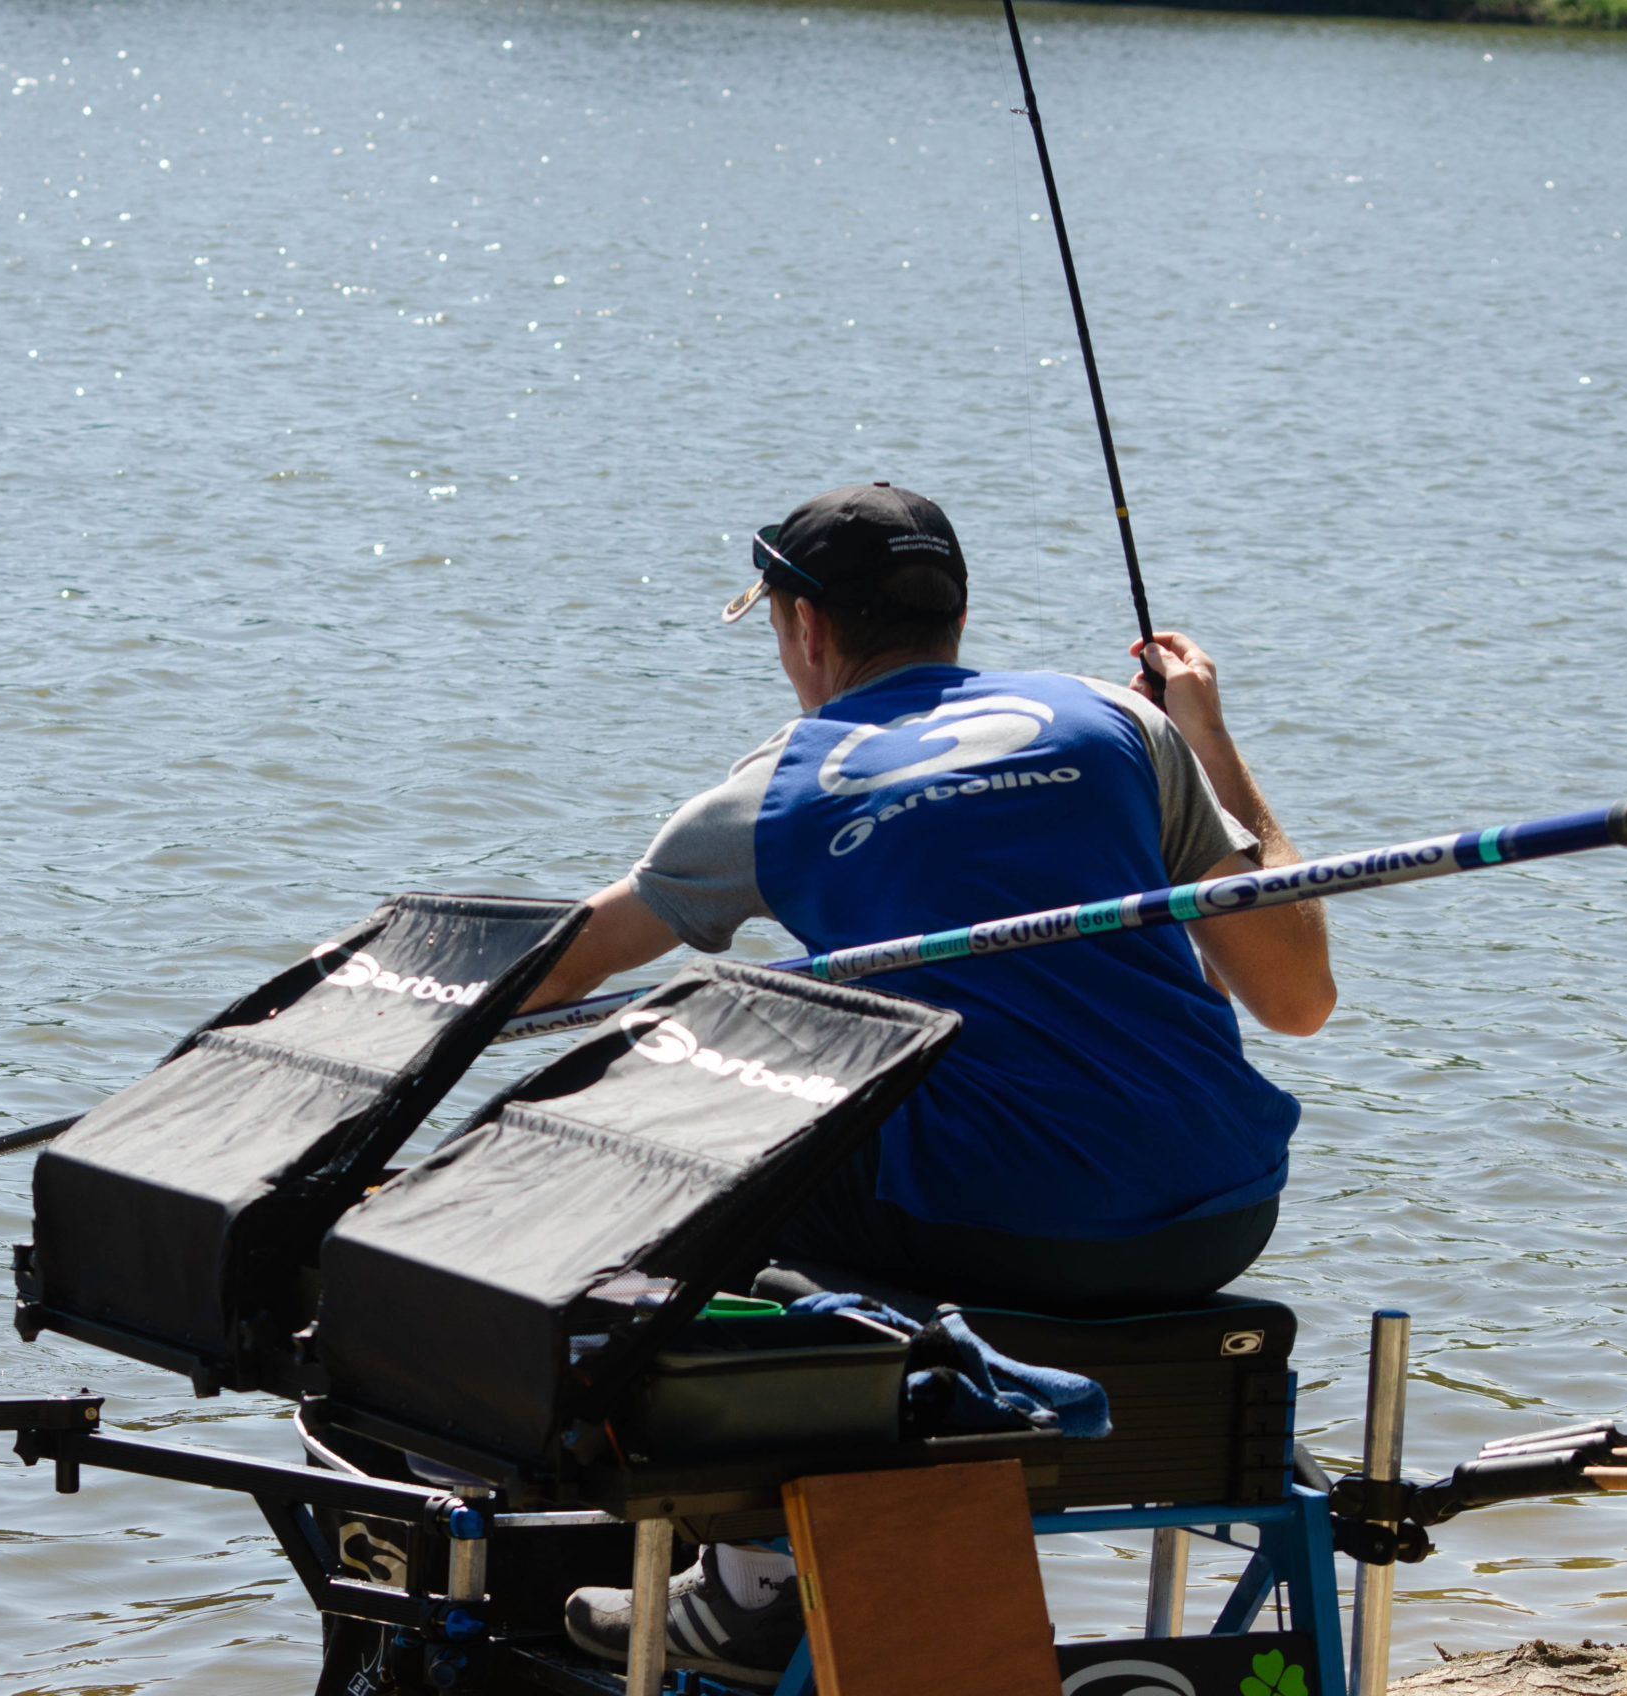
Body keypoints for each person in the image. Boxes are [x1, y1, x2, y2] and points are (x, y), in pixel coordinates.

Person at [540, 482, 1334, 1685]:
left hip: (983, 1232)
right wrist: (1213, 744)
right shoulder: (1120, 727)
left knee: (699, 1123)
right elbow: (1297, 999)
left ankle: (750, 1592)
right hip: (1218, 1218)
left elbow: (558, 972)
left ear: (804, 628)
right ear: (954, 610)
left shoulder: (776, 788)